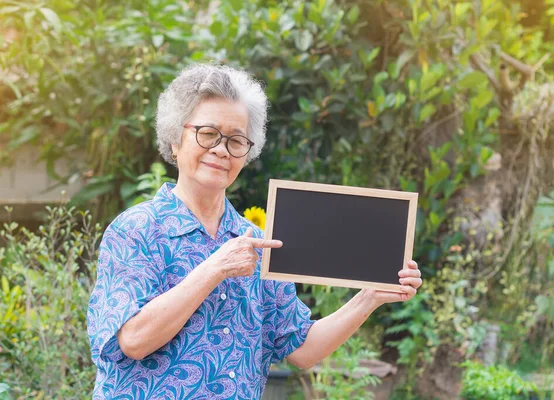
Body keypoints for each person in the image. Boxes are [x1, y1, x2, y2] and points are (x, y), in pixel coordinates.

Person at [87, 63, 423, 399]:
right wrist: (216, 268)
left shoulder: (258, 242)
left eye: (236, 140)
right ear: (175, 140)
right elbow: (133, 340)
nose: (221, 149)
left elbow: (302, 349)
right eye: (207, 134)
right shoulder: (136, 230)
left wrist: (371, 296)